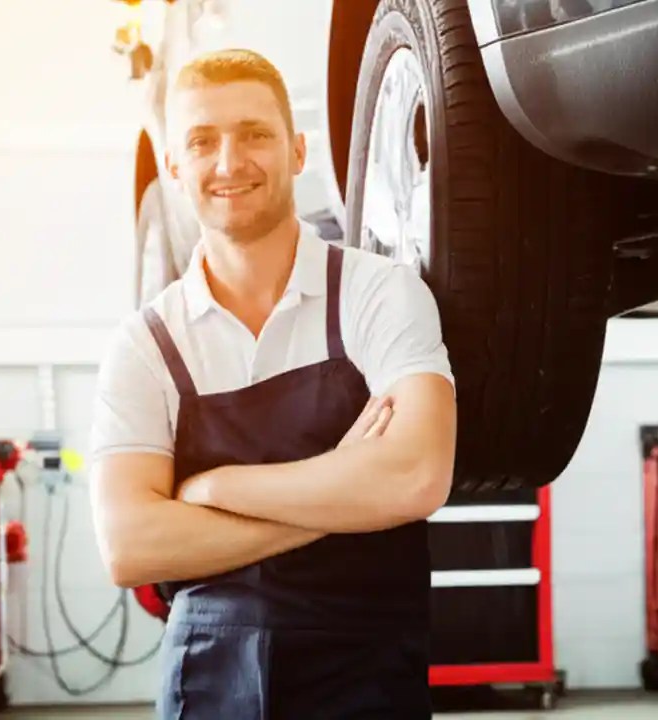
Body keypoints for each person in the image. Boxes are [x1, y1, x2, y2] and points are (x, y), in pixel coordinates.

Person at [87, 48, 457, 719]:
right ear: (174, 167)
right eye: (202, 141)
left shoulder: (377, 294)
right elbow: (130, 545)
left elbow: (416, 478)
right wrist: (341, 482)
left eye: (255, 134)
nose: (229, 163)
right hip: (206, 680)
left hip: (369, 673)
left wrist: (217, 491)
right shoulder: (145, 345)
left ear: (297, 150)